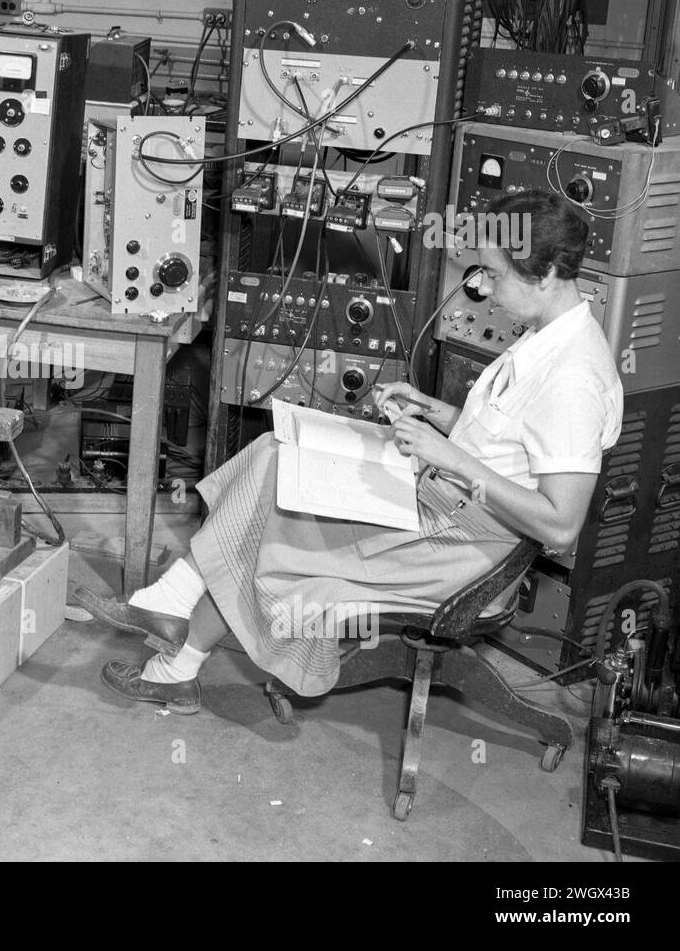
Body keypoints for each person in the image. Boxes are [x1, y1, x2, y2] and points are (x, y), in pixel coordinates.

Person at [77, 189, 624, 712]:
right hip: (443, 498)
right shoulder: (545, 332)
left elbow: (559, 526)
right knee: (275, 454)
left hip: (463, 545)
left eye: (496, 274)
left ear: (548, 275)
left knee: (273, 509)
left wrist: (451, 457)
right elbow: (508, 444)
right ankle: (173, 620)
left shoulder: (573, 376)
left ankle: (174, 641)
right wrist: (435, 411)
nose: (483, 285)